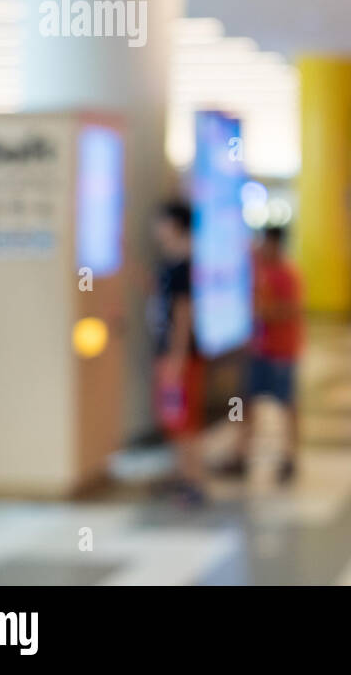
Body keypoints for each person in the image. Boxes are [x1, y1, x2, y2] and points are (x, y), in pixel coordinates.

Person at [226, 225, 303, 482]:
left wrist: (262, 311)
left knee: (286, 405)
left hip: (281, 351)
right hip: (256, 351)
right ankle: (240, 453)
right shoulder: (255, 267)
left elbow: (290, 310)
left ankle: (289, 456)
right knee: (245, 403)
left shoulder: (287, 275)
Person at [151, 200, 206, 506]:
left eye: (160, 222)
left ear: (173, 225)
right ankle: (182, 476)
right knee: (174, 419)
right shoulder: (172, 263)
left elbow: (184, 314)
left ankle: (193, 481)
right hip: (171, 355)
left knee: (184, 420)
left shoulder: (185, 265)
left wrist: (176, 357)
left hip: (179, 357)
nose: (156, 229)